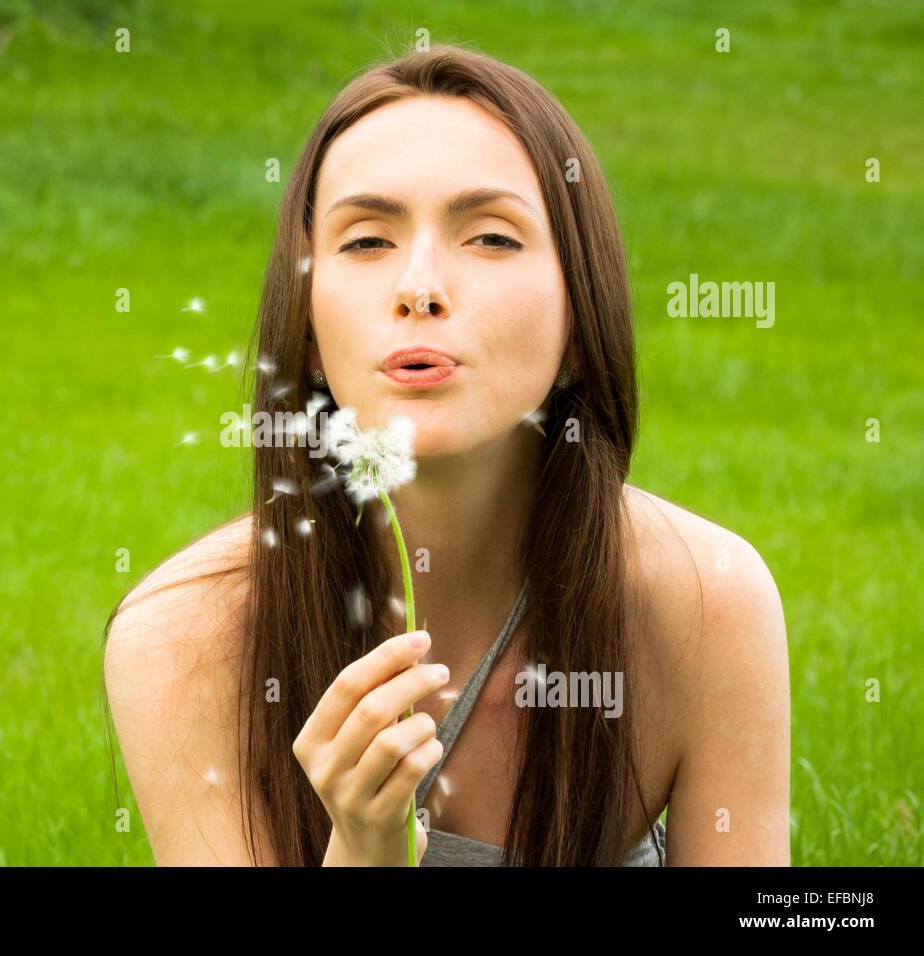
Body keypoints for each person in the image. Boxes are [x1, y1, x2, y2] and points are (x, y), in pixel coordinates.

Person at [103, 43, 790, 867]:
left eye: (491, 238)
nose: (419, 286)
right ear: (311, 332)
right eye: (365, 241)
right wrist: (362, 852)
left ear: (581, 322)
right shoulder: (181, 641)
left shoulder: (706, 603)